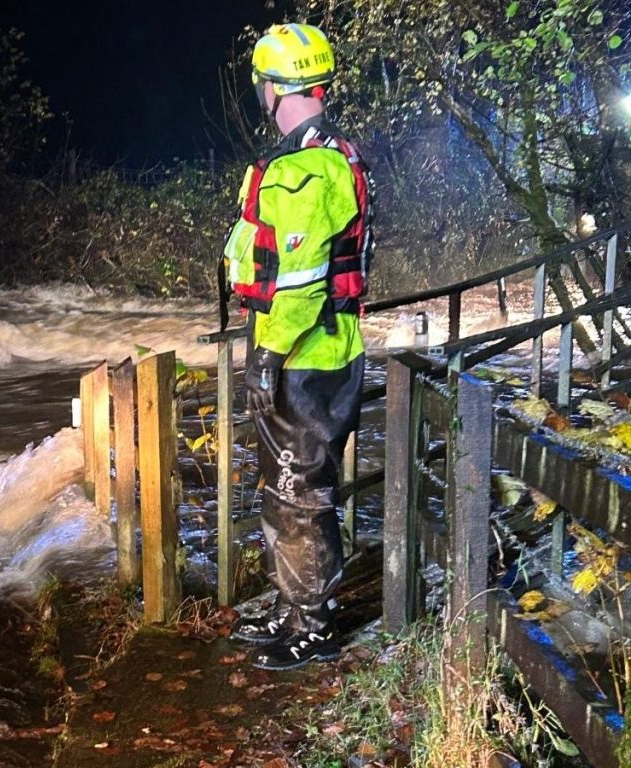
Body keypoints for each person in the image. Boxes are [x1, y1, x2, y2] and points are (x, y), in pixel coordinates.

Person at [220, 23, 373, 670]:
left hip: (306, 360)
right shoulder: (331, 152)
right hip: (319, 352)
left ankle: (312, 626)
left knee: (297, 490)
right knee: (290, 488)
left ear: (270, 88)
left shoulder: (304, 168)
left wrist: (266, 356)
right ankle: (294, 608)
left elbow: (303, 280)